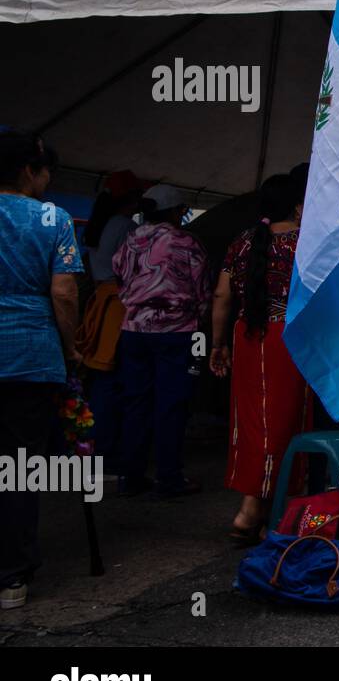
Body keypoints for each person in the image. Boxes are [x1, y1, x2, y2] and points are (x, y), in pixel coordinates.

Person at [0, 128, 82, 610]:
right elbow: (64, 291)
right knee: (17, 467)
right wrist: (70, 348)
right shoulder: (52, 217)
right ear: (29, 171)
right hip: (30, 355)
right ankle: (11, 576)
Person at [210, 174, 313, 544]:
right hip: (290, 338)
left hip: (248, 336)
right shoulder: (304, 242)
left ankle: (255, 510)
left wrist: (218, 344)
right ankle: (260, 511)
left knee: (253, 424)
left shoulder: (242, 241)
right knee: (286, 424)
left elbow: (222, 295)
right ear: (297, 206)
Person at [112, 183, 210, 499]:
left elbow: (118, 273)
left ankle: (131, 475)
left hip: (133, 331)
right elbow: (202, 288)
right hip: (177, 332)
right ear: (172, 211)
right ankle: (169, 478)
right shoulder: (185, 242)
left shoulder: (129, 240)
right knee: (171, 404)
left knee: (135, 402)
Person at [76, 169, 147, 469]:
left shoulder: (99, 225)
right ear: (132, 198)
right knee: (113, 381)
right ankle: (106, 453)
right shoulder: (125, 226)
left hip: (100, 302)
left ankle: (92, 447)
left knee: (100, 379)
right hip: (118, 304)